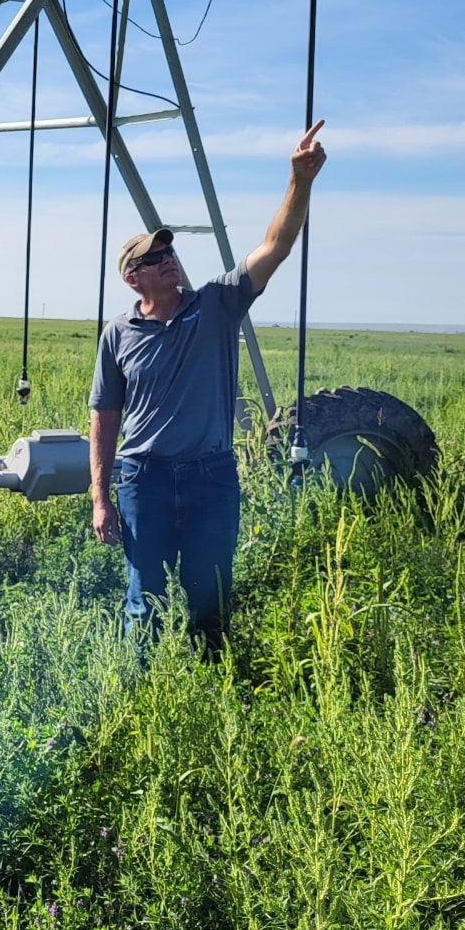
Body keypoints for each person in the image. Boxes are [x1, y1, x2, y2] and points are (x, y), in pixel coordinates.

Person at [89, 121, 328, 655]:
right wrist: (100, 497)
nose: (168, 258)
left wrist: (299, 181)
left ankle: (214, 689)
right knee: (142, 598)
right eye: (153, 257)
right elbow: (104, 417)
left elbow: (276, 245)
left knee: (210, 597)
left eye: (168, 251)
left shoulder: (216, 304)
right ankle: (141, 702)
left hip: (210, 478)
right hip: (143, 481)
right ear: (133, 277)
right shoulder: (117, 334)